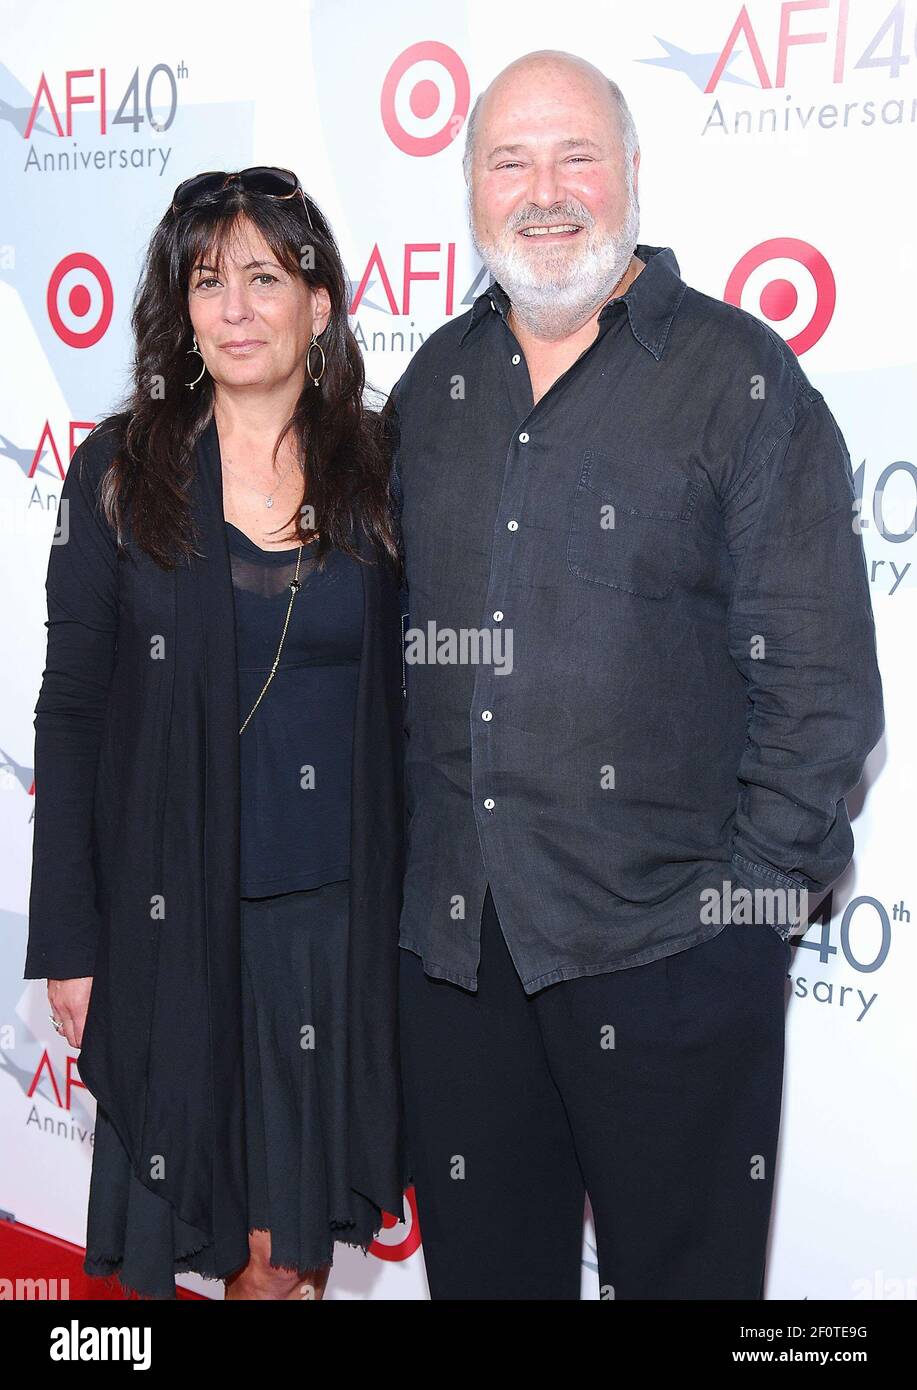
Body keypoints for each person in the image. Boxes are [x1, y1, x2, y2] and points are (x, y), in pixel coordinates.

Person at [386, 52, 885, 1300]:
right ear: (468, 185)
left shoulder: (739, 382)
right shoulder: (427, 390)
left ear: (631, 177)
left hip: (667, 962)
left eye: (574, 156)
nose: (542, 190)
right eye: (509, 159)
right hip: (459, 964)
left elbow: (821, 697)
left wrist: (735, 933)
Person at [24, 167, 408, 1300]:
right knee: (223, 1247)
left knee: (287, 1264)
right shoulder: (117, 472)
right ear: (181, 308)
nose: (235, 307)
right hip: (171, 918)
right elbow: (72, 708)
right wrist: (71, 935)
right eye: (207, 280)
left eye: (264, 276)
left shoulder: (385, 470)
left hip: (330, 934)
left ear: (321, 303)